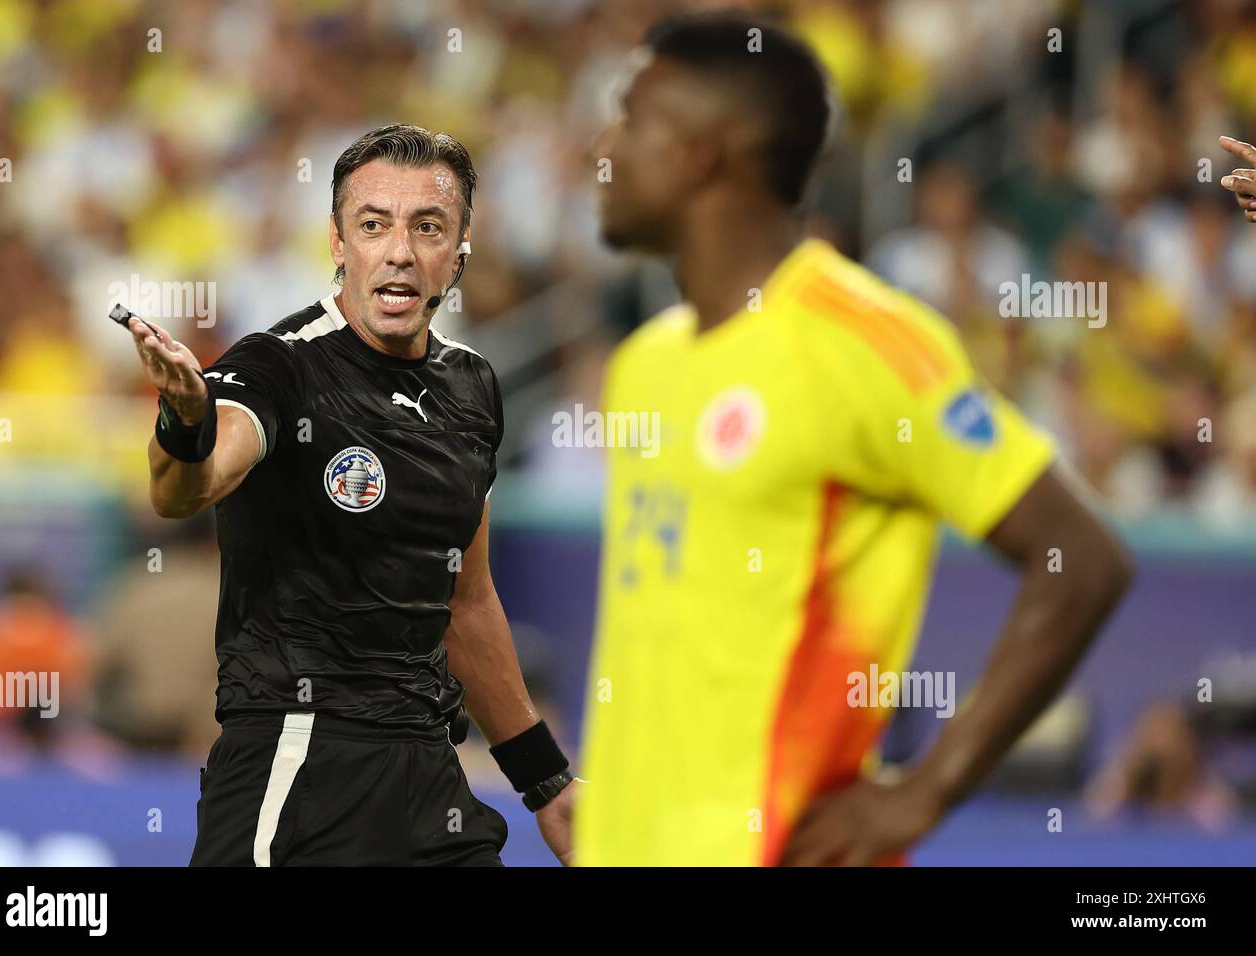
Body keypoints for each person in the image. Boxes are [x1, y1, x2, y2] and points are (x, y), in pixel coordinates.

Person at [574, 11, 1134, 866]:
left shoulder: (861, 345)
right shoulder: (645, 363)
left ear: (699, 152)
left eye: (631, 116)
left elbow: (1082, 559)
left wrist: (924, 790)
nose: (603, 147)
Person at [126, 124, 574, 866]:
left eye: (426, 227)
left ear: (458, 254)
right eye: (373, 225)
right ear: (339, 244)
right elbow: (187, 489)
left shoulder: (473, 388)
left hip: (429, 775)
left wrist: (547, 784)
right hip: (295, 765)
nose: (399, 250)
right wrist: (185, 420)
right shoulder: (280, 366)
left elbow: (468, 601)